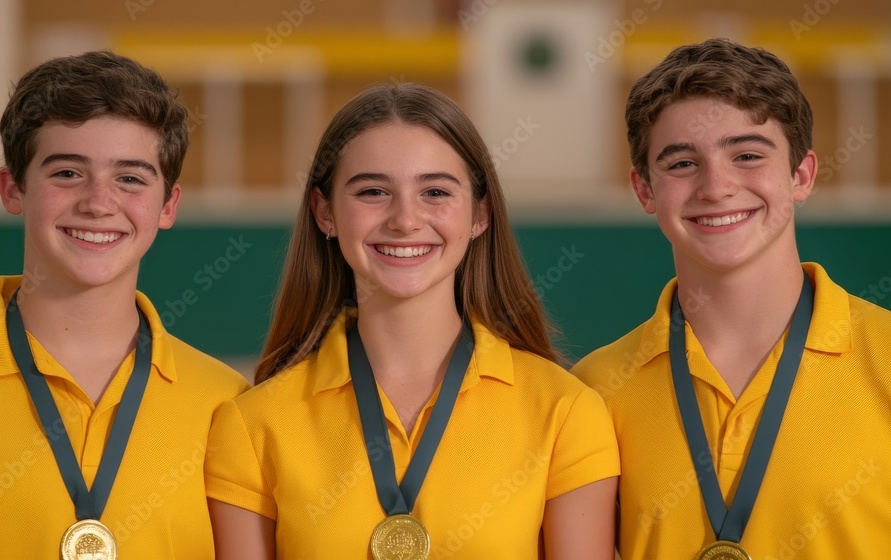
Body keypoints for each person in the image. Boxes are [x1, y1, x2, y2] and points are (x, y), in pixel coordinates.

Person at [205, 83, 619, 559]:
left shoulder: (565, 412)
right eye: (373, 191)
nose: (405, 219)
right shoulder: (252, 425)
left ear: (480, 213)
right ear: (325, 213)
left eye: (435, 191)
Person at [572, 38, 891, 559]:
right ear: (645, 191)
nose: (717, 186)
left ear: (801, 175)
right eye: (682, 163)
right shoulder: (593, 391)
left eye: (747, 155)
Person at [0, 51, 249, 558]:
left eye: (130, 178)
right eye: (68, 173)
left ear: (169, 205)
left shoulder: (228, 404)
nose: (98, 202)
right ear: (12, 188)